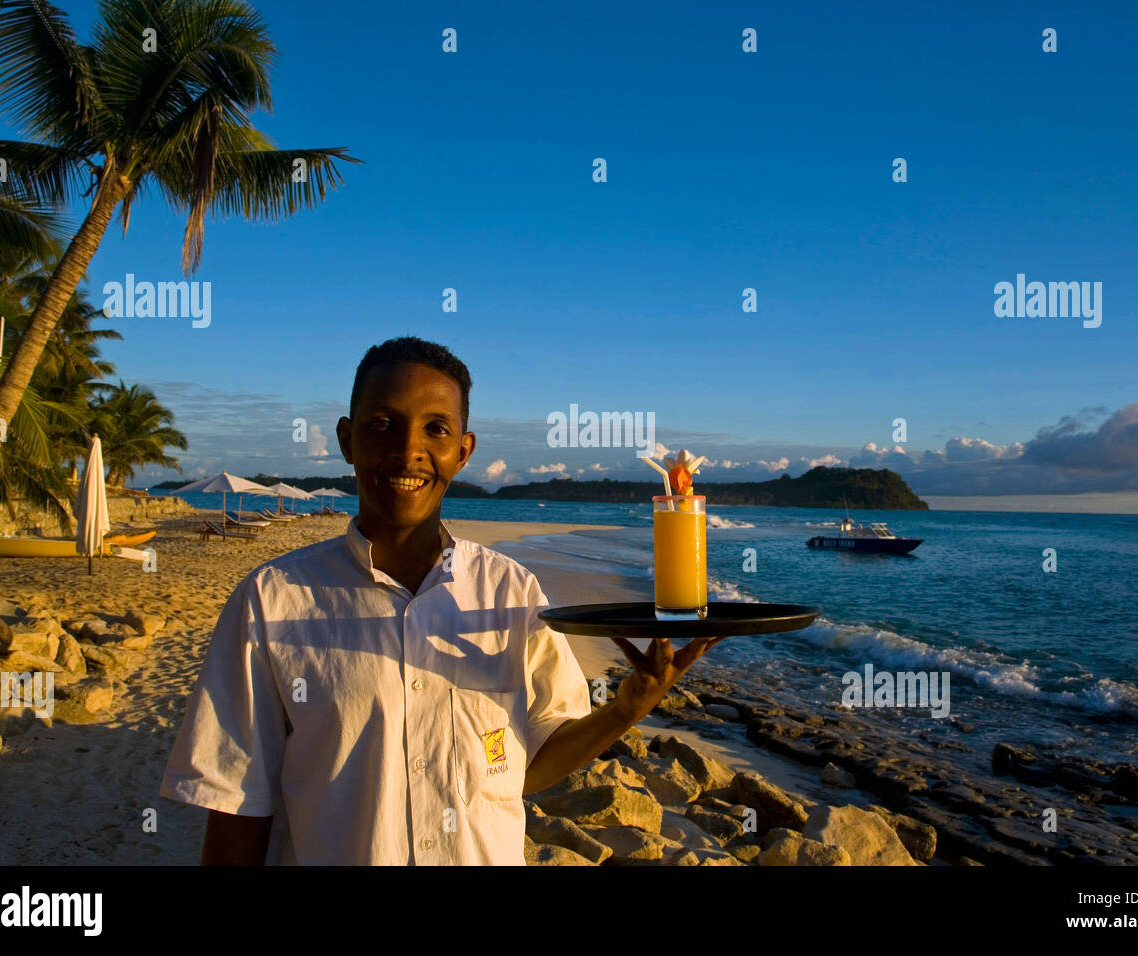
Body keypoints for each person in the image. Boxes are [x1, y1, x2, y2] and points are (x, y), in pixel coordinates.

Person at [159, 336, 724, 864]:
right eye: (383, 424)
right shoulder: (272, 602)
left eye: (435, 429)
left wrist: (628, 708)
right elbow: (237, 802)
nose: (409, 451)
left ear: (463, 450)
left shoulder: (512, 595)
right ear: (347, 439)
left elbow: (530, 763)